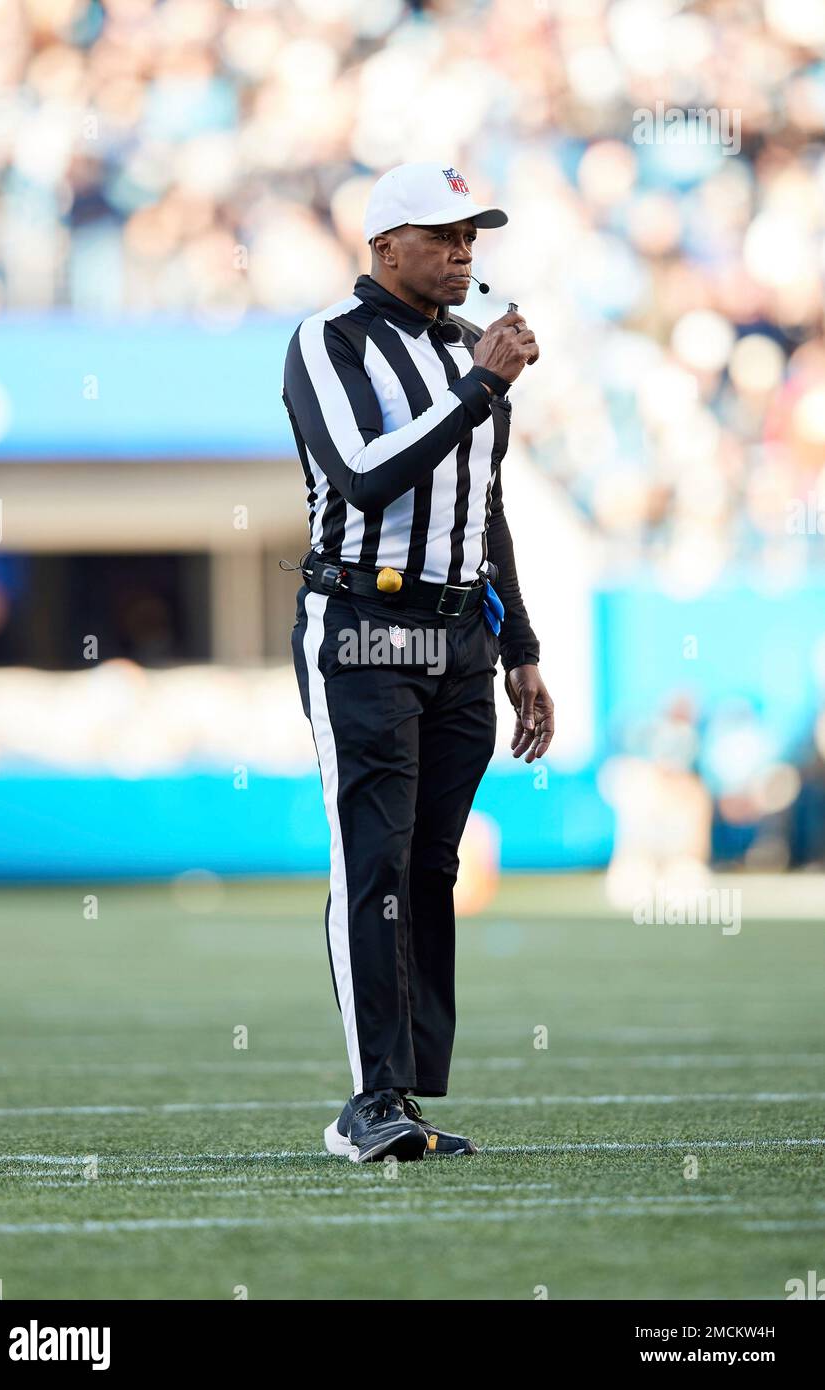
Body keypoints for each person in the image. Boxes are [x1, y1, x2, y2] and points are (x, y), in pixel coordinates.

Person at [282, 162, 554, 1163]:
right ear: (383, 243)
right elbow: (358, 476)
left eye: (471, 234)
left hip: (456, 635)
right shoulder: (328, 339)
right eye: (442, 234)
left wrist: (519, 647)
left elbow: (482, 509)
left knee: (429, 865)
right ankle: (369, 1099)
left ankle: (406, 1091)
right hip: (360, 622)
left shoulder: (458, 354)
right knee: (375, 858)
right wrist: (483, 384)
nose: (462, 250)